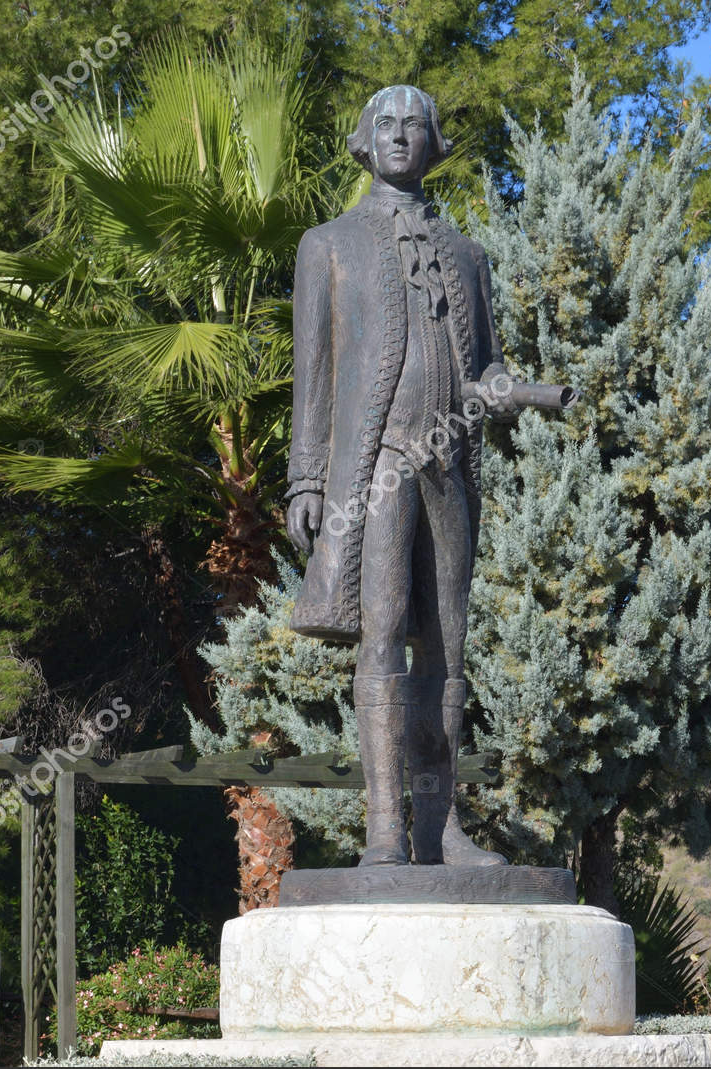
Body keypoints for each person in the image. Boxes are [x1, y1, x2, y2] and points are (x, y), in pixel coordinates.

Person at [283, 84, 513, 867]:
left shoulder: (468, 255)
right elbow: (312, 372)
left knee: (446, 644)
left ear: (433, 143)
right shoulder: (329, 244)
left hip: (449, 464)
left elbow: (486, 364)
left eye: (416, 125)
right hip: (375, 463)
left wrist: (505, 387)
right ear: (364, 139)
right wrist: (306, 479)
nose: (401, 135)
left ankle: (440, 827)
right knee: (380, 628)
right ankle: (385, 825)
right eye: (386, 124)